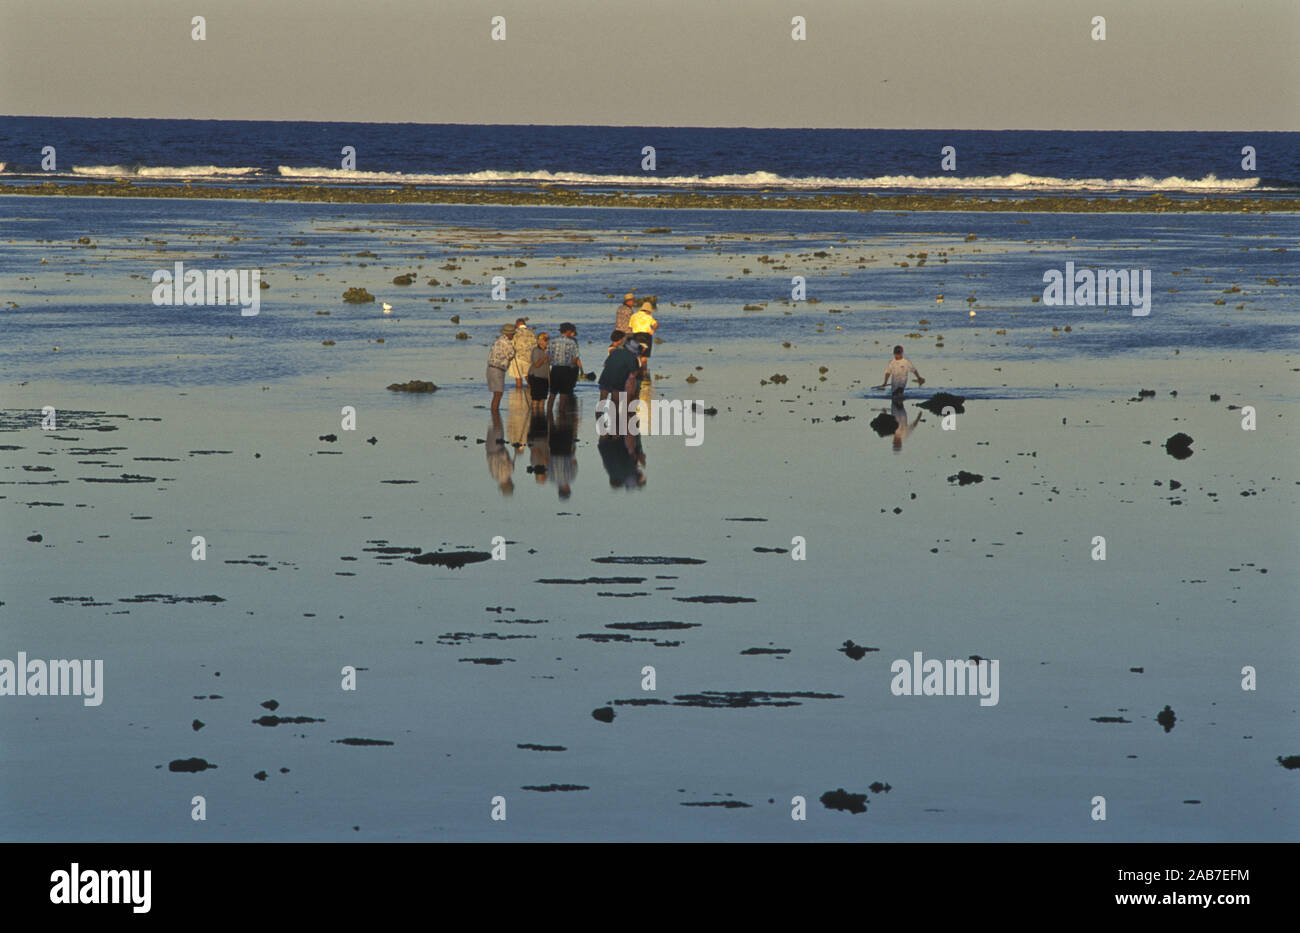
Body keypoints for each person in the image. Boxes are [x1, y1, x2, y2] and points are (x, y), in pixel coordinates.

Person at [597, 336, 642, 432]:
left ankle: (599, 421)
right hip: (618, 381)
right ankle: (615, 430)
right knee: (615, 403)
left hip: (605, 378)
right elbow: (634, 373)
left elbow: (605, 364)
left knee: (602, 401)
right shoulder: (631, 357)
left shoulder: (615, 351)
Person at [547, 322, 582, 415]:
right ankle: (561, 418)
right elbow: (575, 359)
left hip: (554, 369)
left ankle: (548, 417)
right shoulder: (572, 342)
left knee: (552, 395)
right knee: (563, 395)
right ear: (569, 331)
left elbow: (548, 358)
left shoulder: (552, 341)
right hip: (566, 370)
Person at [486, 323, 516, 412]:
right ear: (509, 334)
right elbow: (510, 356)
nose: (514, 335)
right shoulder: (507, 342)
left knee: (496, 394)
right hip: (498, 370)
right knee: (498, 394)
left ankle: (494, 414)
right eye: (513, 334)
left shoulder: (498, 340)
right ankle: (495, 414)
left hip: (490, 369)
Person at [628, 300, 658, 373]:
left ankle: (636, 373)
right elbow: (656, 324)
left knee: (637, 356)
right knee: (644, 358)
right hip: (646, 336)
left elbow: (630, 327)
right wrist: (653, 330)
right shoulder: (649, 316)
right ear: (648, 310)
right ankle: (644, 374)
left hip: (635, 336)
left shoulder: (634, 316)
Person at [509, 318, 536, 389]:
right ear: (524, 324)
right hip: (528, 358)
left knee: (518, 378)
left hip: (517, 358)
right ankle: (531, 393)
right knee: (528, 377)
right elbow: (535, 345)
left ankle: (518, 395)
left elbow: (510, 345)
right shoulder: (531, 332)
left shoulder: (514, 333)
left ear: (517, 324)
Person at [528, 331, 551, 405]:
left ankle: (541, 415)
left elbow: (549, 363)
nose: (547, 342)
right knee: (536, 400)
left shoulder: (548, 350)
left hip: (545, 377)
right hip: (536, 377)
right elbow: (536, 365)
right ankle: (535, 415)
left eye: (548, 340)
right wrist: (544, 357)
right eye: (546, 340)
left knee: (543, 400)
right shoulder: (536, 350)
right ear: (540, 341)